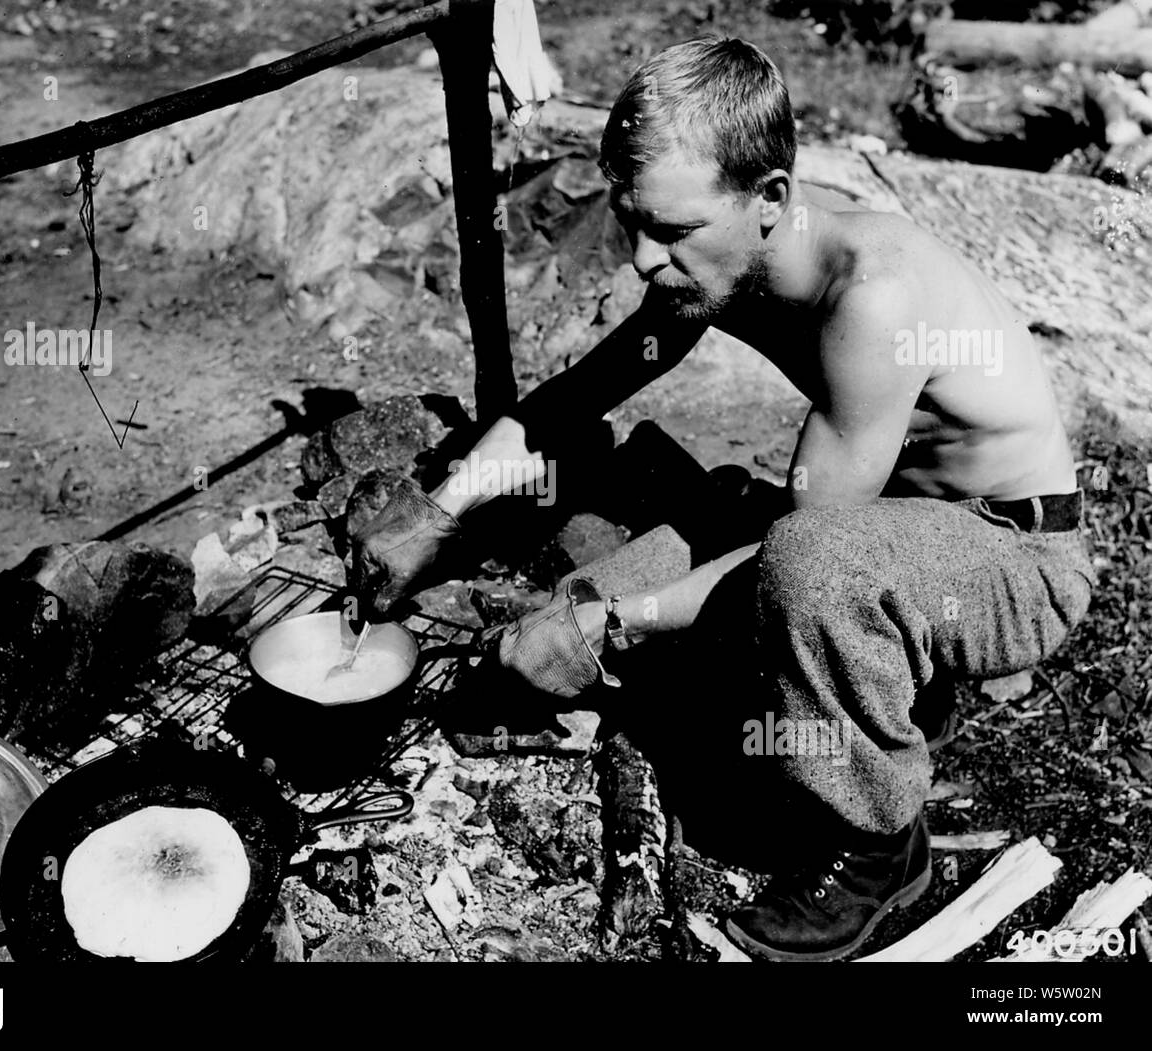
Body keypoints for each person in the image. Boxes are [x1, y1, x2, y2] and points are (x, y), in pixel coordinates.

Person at [347, 36, 1095, 961]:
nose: (641, 259)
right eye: (631, 223)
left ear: (771, 197)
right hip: (884, 531)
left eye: (670, 231)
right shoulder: (722, 257)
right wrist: (437, 514)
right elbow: (579, 397)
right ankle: (843, 679)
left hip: (1011, 556)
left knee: (796, 567)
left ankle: (876, 842)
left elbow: (812, 540)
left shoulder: (873, 300)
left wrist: (608, 623)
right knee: (644, 558)